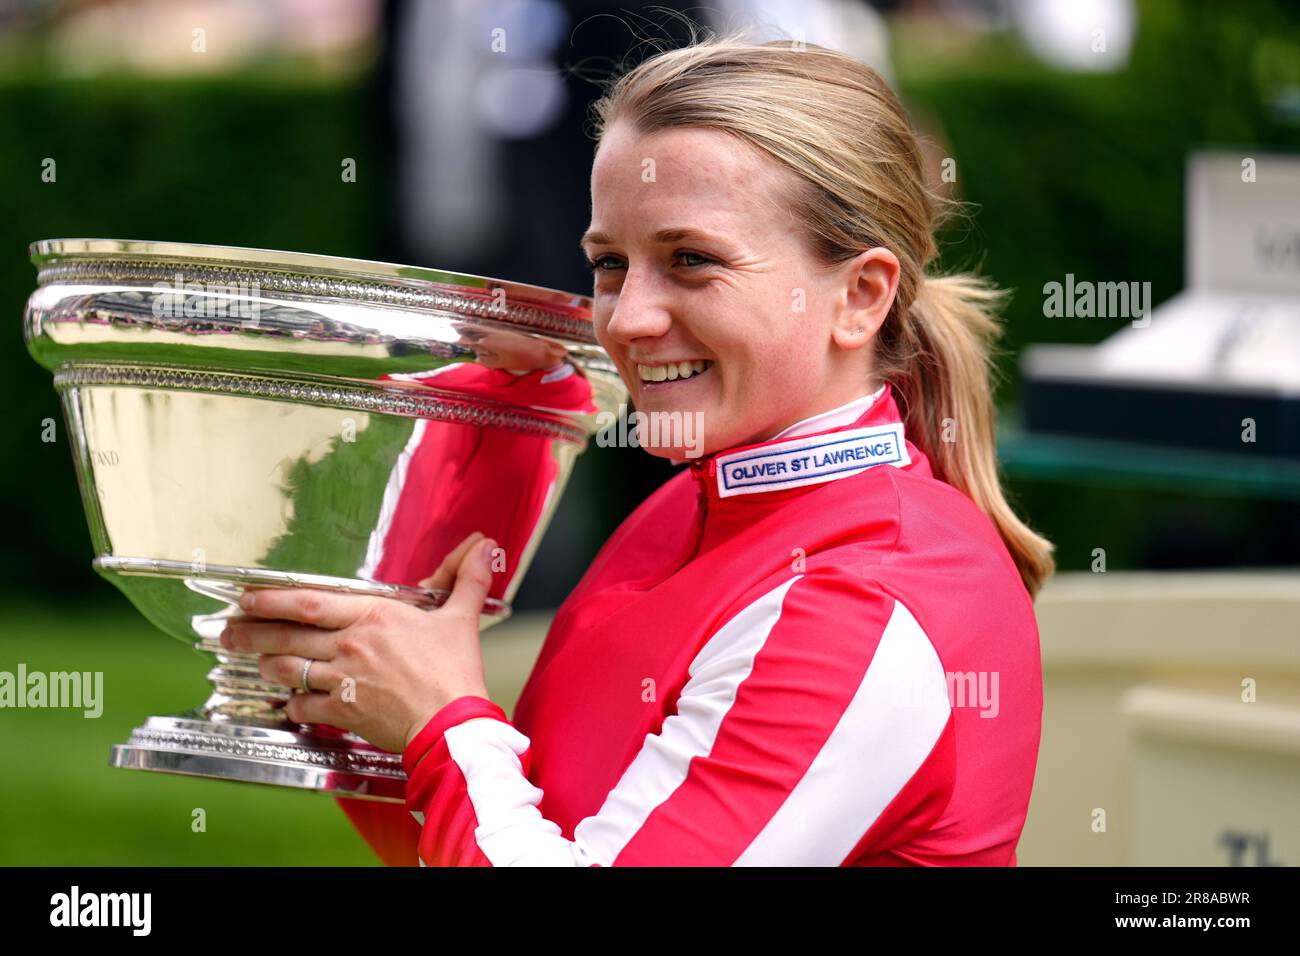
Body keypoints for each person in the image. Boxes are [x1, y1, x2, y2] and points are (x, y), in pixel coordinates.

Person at [220, 31, 1054, 866]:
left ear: (860, 296)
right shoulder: (686, 503)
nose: (628, 319)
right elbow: (514, 836)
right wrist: (349, 702)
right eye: (610, 263)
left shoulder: (861, 597)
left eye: (691, 261)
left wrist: (442, 720)